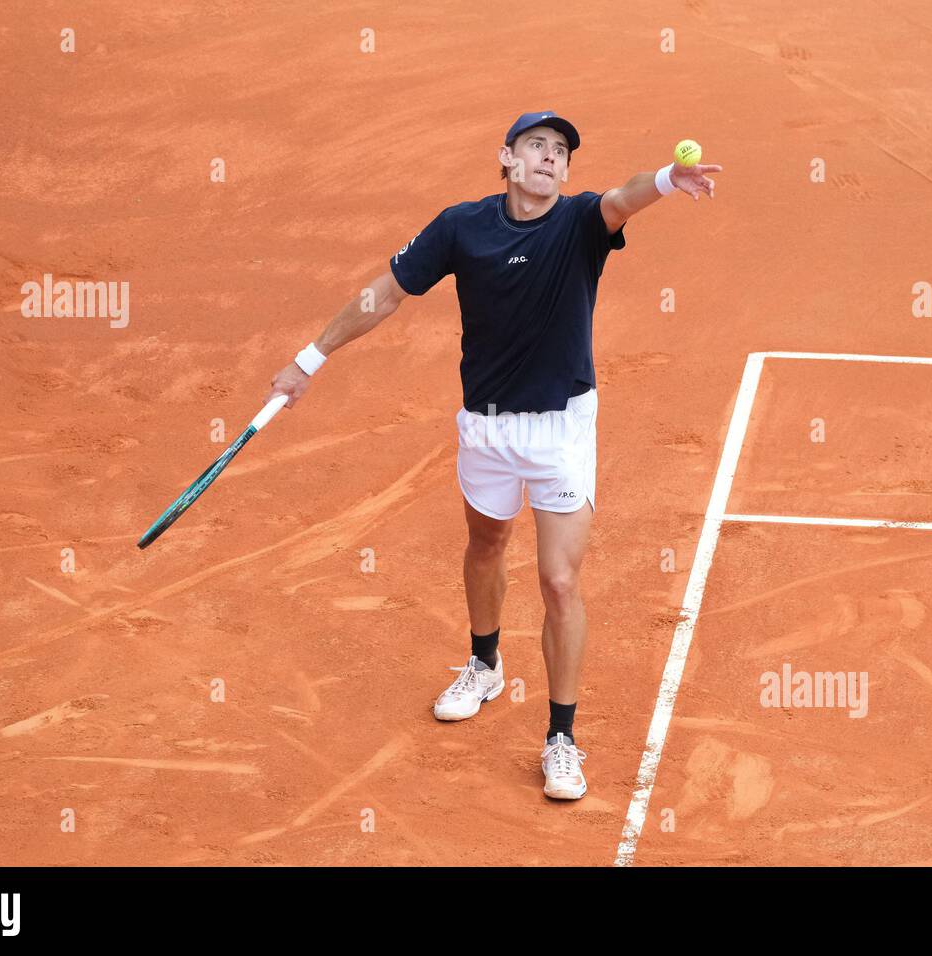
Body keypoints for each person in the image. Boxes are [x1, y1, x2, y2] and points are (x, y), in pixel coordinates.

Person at [266, 110, 720, 800]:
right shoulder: (460, 226)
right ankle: (484, 665)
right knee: (485, 543)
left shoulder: (579, 225)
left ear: (566, 172)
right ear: (506, 158)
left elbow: (624, 198)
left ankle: (561, 738)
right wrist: (309, 358)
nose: (549, 157)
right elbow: (385, 294)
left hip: (562, 431)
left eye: (560, 151)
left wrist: (665, 178)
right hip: (485, 428)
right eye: (536, 146)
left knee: (560, 581)